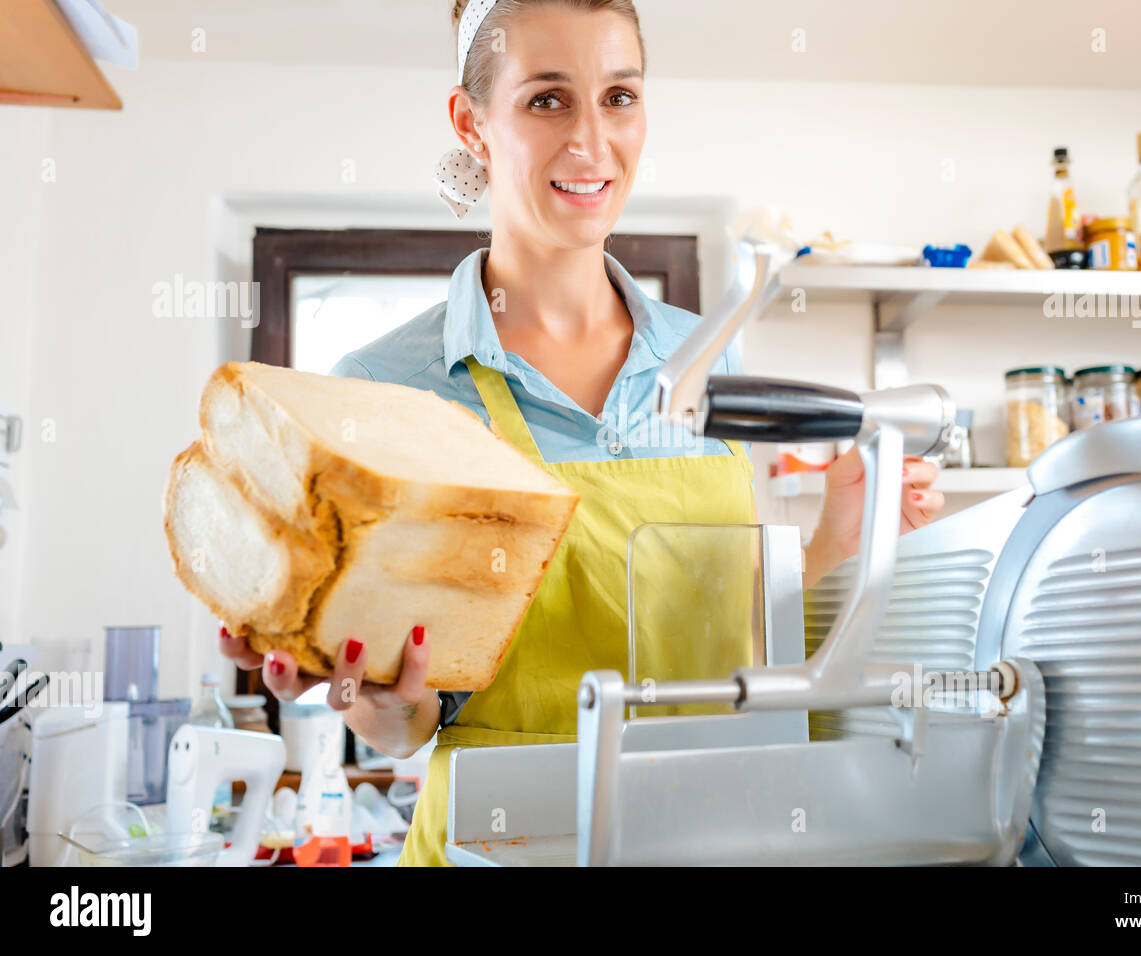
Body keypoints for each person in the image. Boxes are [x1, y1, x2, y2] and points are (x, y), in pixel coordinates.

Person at [218, 0, 943, 866]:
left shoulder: (706, 350)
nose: (593, 142)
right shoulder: (386, 389)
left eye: (620, 97)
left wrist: (831, 542)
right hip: (500, 846)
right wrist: (374, 700)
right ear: (472, 122)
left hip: (710, 837)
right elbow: (405, 720)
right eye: (547, 99)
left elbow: (716, 629)